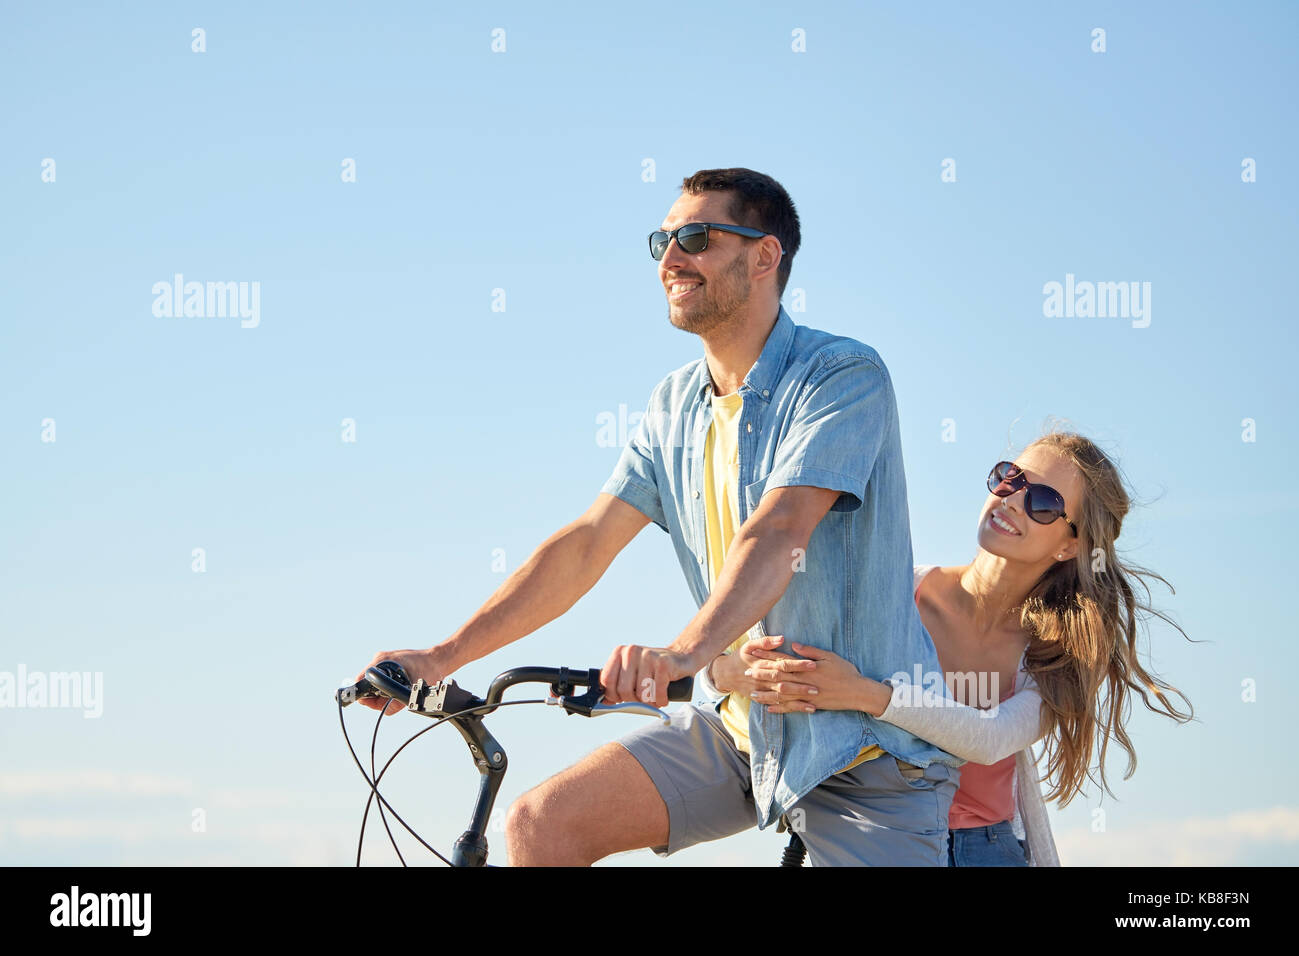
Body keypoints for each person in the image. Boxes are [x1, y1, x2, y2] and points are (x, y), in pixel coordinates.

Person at [355, 167, 964, 865]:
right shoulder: (674, 406)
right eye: (663, 241)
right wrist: (441, 657)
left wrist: (681, 654)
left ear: (764, 256)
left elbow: (781, 529)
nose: (671, 259)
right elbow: (586, 543)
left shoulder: (841, 377)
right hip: (742, 729)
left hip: (865, 753)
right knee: (539, 825)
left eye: (697, 238)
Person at [707, 432, 1196, 865]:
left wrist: (866, 694)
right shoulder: (901, 594)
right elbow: (770, 664)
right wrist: (722, 672)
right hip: (874, 838)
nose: (1010, 499)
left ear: (1069, 545)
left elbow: (988, 739)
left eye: (1042, 501)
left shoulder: (1055, 655)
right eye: (1009, 478)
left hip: (985, 850)